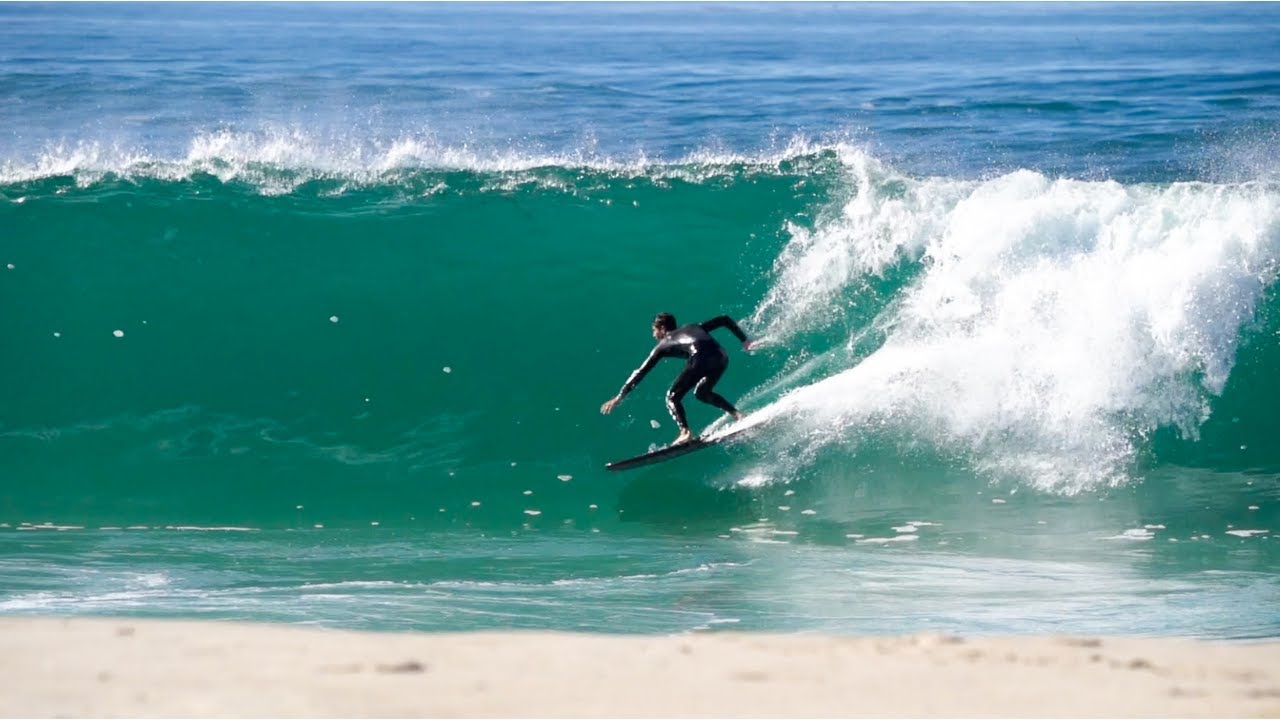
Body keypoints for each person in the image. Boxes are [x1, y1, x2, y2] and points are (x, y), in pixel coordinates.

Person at [601, 312, 753, 445]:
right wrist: (745, 341)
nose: (653, 335)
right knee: (702, 393)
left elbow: (641, 372)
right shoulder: (693, 326)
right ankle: (738, 415)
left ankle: (685, 432)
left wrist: (619, 397)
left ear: (662, 328)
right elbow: (724, 319)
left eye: (654, 330)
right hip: (721, 356)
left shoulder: (663, 344)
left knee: (672, 397)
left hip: (700, 357)